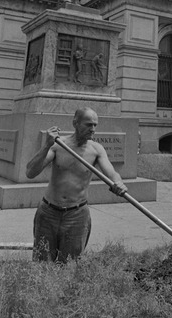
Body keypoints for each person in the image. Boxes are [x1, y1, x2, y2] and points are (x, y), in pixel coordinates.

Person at [26, 107, 127, 263]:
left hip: (76, 216)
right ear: (75, 123)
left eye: (95, 125)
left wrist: (118, 182)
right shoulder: (58, 145)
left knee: (69, 265)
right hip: (48, 213)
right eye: (88, 124)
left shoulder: (96, 149)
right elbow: (30, 172)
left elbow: (111, 173)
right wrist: (46, 146)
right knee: (42, 263)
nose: (93, 129)